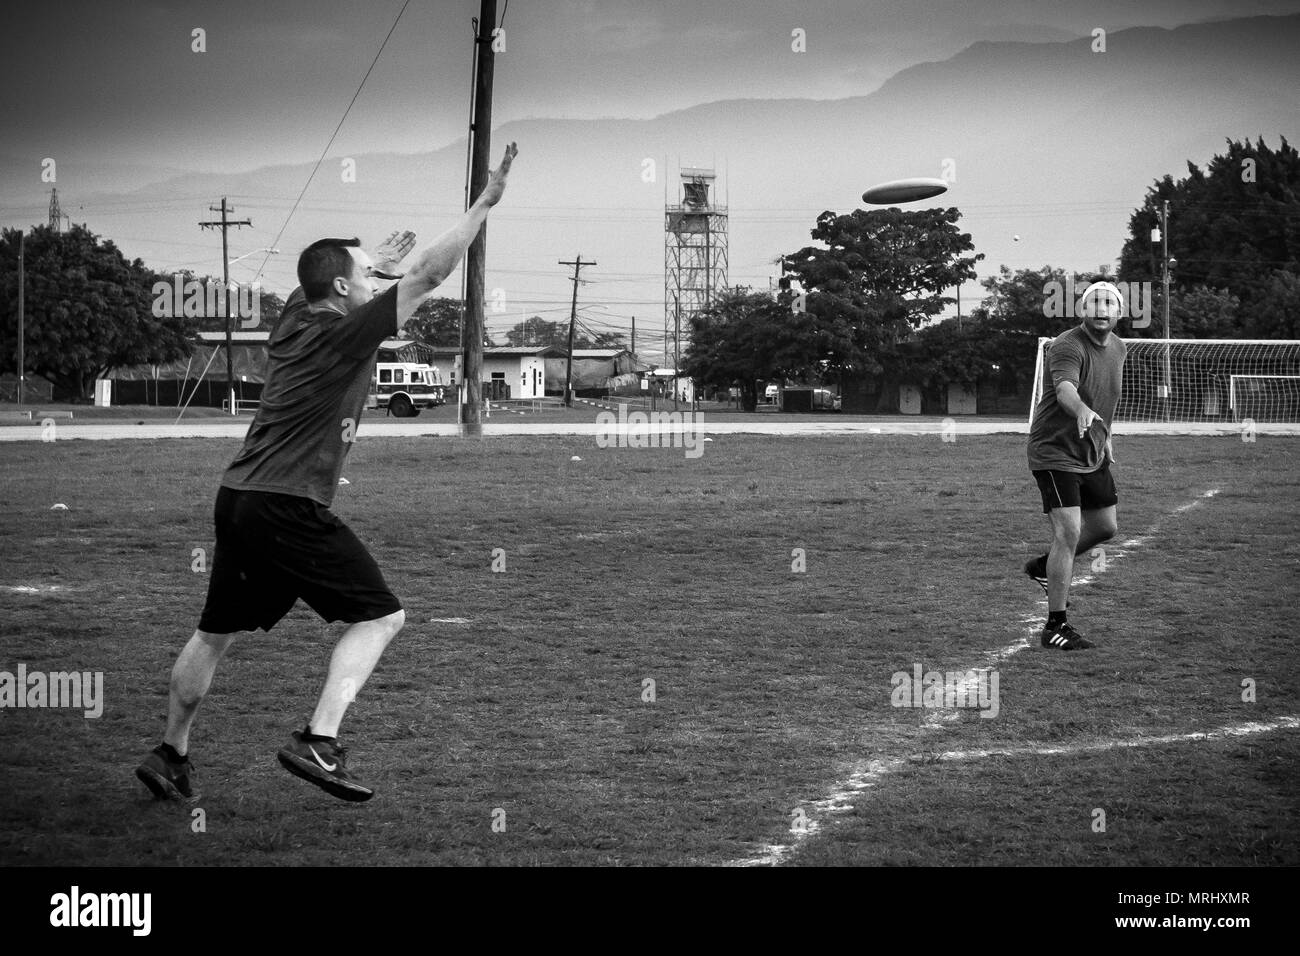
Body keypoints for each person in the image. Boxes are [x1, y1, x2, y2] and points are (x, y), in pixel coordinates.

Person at [135, 143, 519, 802]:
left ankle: (171, 754)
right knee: (380, 617)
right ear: (343, 289)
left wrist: (371, 263)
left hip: (238, 499)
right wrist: (483, 204)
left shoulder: (293, 316)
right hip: (286, 504)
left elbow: (347, 273)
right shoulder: (347, 331)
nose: (376, 283)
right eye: (367, 276)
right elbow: (428, 275)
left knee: (214, 633)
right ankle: (319, 741)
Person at [1023, 281, 1128, 650]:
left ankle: (1043, 566)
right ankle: (1055, 626)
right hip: (1054, 452)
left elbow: (1106, 396)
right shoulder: (1066, 344)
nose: (1101, 307)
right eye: (1093, 301)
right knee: (1068, 533)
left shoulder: (1119, 348)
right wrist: (1082, 409)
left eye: (1108, 302)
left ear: (1119, 313)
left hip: (1090, 450)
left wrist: (1107, 434)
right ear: (1083, 310)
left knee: (1105, 527)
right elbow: (1067, 389)